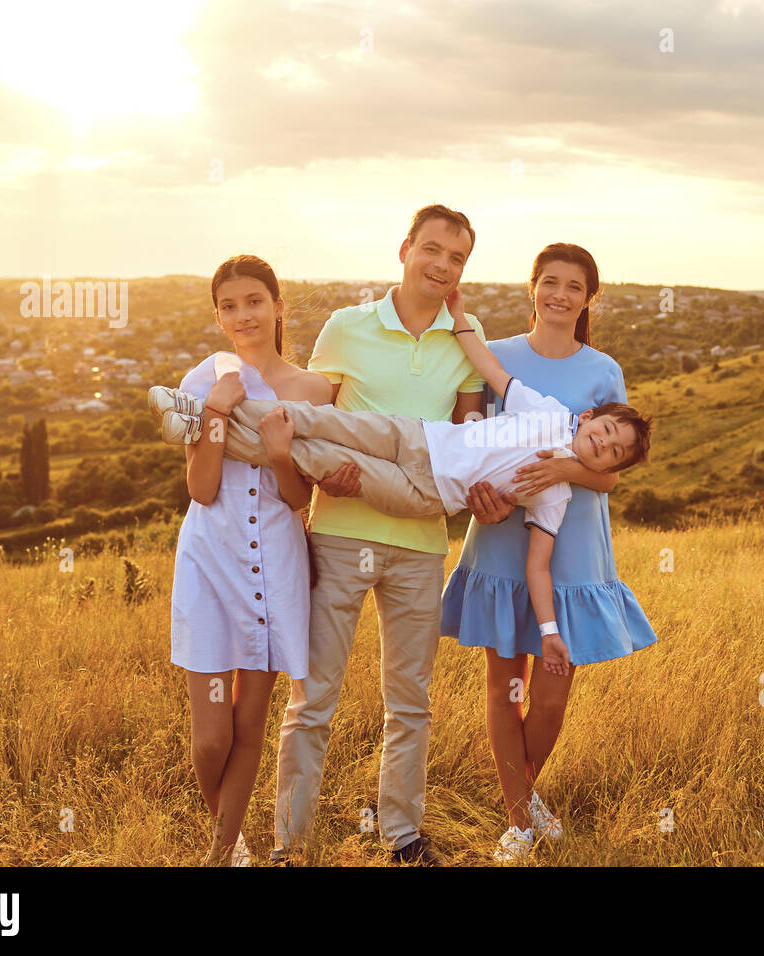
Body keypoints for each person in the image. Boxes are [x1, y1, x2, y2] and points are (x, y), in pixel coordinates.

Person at [148, 299, 654, 674]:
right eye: (606, 432)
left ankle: (200, 425)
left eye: (614, 453)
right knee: (317, 421)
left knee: (317, 455)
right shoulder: (545, 409)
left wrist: (548, 633)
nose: (602, 446)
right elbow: (492, 369)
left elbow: (538, 566)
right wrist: (460, 322)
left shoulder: (556, 495)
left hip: (424, 493)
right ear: (588, 416)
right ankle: (207, 412)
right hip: (420, 437)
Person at [263, 205, 500, 865]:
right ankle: (290, 844)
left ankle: (401, 836)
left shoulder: (466, 342)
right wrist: (320, 483)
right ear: (405, 249)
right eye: (431, 250)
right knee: (313, 700)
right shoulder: (346, 328)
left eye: (455, 258)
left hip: (422, 543)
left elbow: (466, 443)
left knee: (410, 703)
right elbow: (315, 425)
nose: (440, 265)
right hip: (339, 532)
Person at [440, 243, 658, 861]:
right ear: (533, 286)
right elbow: (469, 442)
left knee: (552, 694)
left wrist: (563, 465)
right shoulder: (500, 357)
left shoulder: (603, 369)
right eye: (550, 282)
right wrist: (483, 498)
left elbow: (611, 473)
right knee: (504, 685)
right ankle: (519, 819)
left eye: (574, 287)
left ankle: (523, 794)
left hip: (576, 544)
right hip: (502, 542)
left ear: (590, 298)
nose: (560, 295)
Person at [169, 254, 332, 866]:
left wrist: (281, 453)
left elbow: (298, 498)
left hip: (276, 566)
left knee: (251, 724)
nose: (244, 315)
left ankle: (220, 855)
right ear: (218, 316)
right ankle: (230, 840)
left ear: (278, 305)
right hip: (211, 563)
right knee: (213, 737)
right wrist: (215, 411)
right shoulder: (201, 381)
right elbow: (203, 488)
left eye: (255, 301)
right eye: (230, 306)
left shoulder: (312, 390)